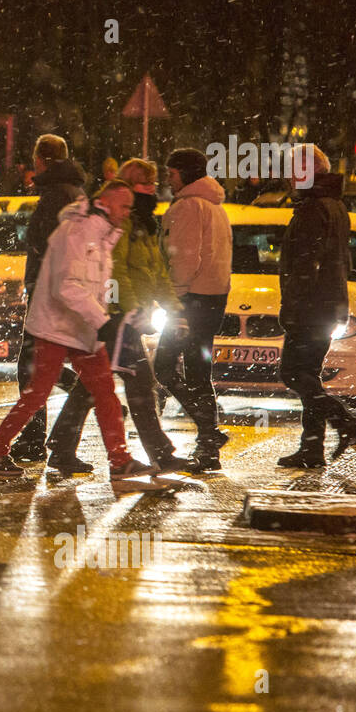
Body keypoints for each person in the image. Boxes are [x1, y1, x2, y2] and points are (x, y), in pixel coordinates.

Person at [0, 181, 151, 480]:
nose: (128, 212)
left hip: (82, 328)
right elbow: (67, 287)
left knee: (104, 391)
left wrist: (102, 321)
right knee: (40, 393)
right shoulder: (78, 233)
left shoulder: (99, 235)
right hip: (56, 327)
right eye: (124, 206)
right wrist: (103, 322)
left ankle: (120, 460)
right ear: (106, 204)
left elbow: (89, 287)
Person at [45, 159, 196, 473]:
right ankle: (155, 454)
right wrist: (130, 309)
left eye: (155, 184)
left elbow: (155, 273)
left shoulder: (142, 223)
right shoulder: (123, 224)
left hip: (126, 315)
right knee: (138, 385)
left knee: (94, 384)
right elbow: (118, 272)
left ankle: (61, 445)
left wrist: (175, 309)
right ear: (129, 188)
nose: (152, 190)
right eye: (146, 184)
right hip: (114, 316)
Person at [276, 144, 356, 467]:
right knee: (309, 374)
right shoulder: (333, 205)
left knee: (293, 372)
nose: (287, 177)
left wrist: (293, 306)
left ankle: (345, 421)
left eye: (292, 170)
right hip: (327, 307)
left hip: (310, 309)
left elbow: (305, 264)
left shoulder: (314, 209)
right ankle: (312, 449)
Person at [7, 134, 85, 462]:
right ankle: (43, 435)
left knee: (31, 365)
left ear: (41, 159)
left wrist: (39, 283)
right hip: (60, 290)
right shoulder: (72, 192)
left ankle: (35, 436)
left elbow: (45, 243)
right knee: (46, 363)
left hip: (48, 292)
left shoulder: (55, 195)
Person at [155, 148, 232, 471]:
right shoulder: (215, 207)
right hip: (212, 298)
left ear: (185, 174)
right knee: (200, 372)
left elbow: (185, 257)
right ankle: (209, 447)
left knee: (163, 366)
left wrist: (174, 299)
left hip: (190, 300)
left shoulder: (188, 207)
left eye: (172, 174)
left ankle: (209, 433)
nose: (168, 180)